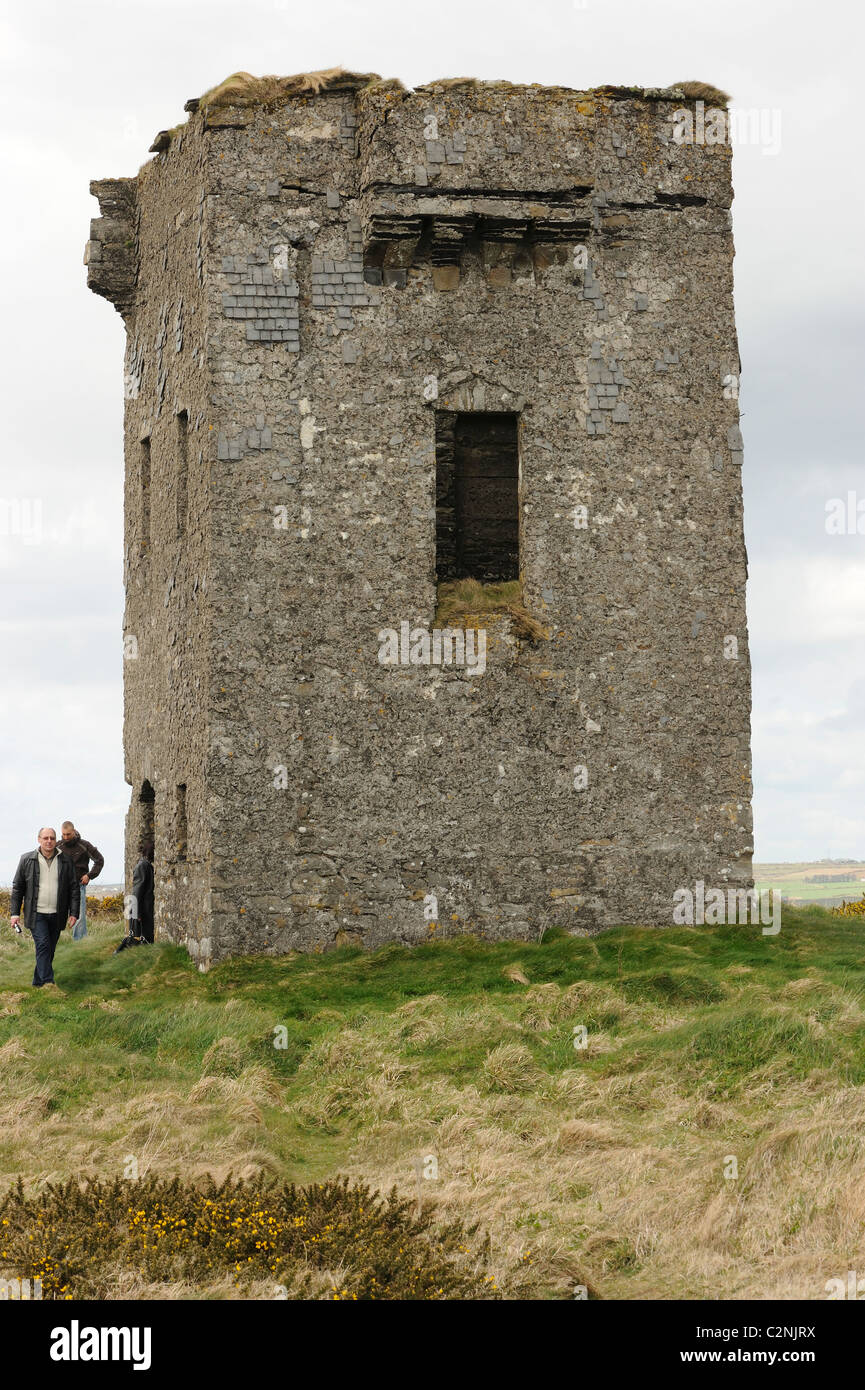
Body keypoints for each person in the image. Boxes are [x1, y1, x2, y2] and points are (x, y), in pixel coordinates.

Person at [10, 827, 80, 990]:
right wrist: (14, 913)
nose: (49, 841)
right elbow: (17, 887)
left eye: (52, 838)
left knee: (49, 950)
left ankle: (37, 982)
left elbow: (74, 888)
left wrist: (74, 913)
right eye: (46, 838)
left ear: (56, 840)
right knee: (43, 945)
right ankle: (49, 984)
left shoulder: (66, 860)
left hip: (58, 914)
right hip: (36, 914)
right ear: (39, 839)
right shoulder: (27, 859)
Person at [59, 821, 104, 941]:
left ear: (74, 831)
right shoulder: (58, 846)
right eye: (63, 834)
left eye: (68, 834)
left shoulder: (84, 845)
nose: (66, 837)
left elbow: (99, 860)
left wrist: (89, 875)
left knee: (79, 916)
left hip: (79, 885)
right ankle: (56, 941)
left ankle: (79, 943)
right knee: (57, 914)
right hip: (61, 886)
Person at [115, 839, 154, 953]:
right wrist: (136, 913)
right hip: (144, 910)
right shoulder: (143, 865)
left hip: (145, 908)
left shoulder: (145, 864)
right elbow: (137, 891)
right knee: (144, 940)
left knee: (146, 940)